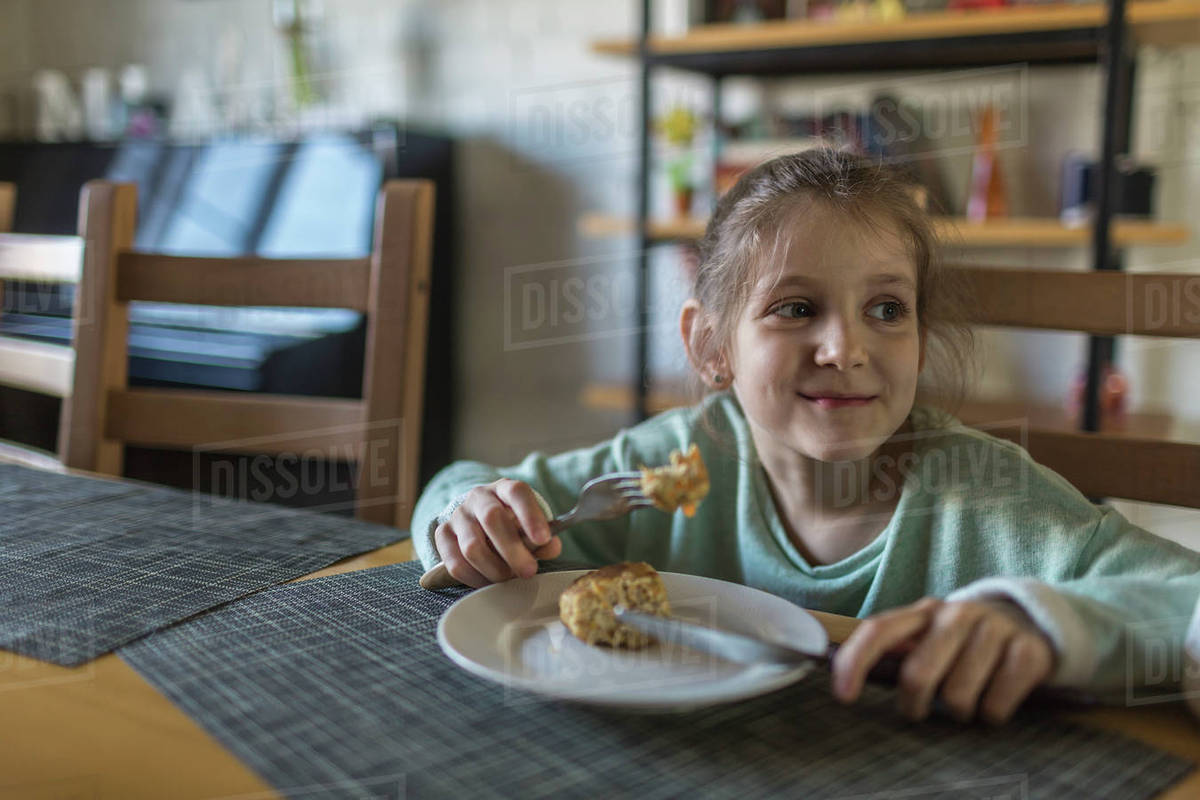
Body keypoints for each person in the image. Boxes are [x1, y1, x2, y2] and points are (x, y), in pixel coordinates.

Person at [412, 148, 1200, 724]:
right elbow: (463, 486)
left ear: (922, 338)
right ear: (711, 346)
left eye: (887, 310)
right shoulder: (672, 465)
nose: (847, 350)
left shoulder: (990, 502)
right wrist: (473, 516)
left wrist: (1048, 623)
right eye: (795, 308)